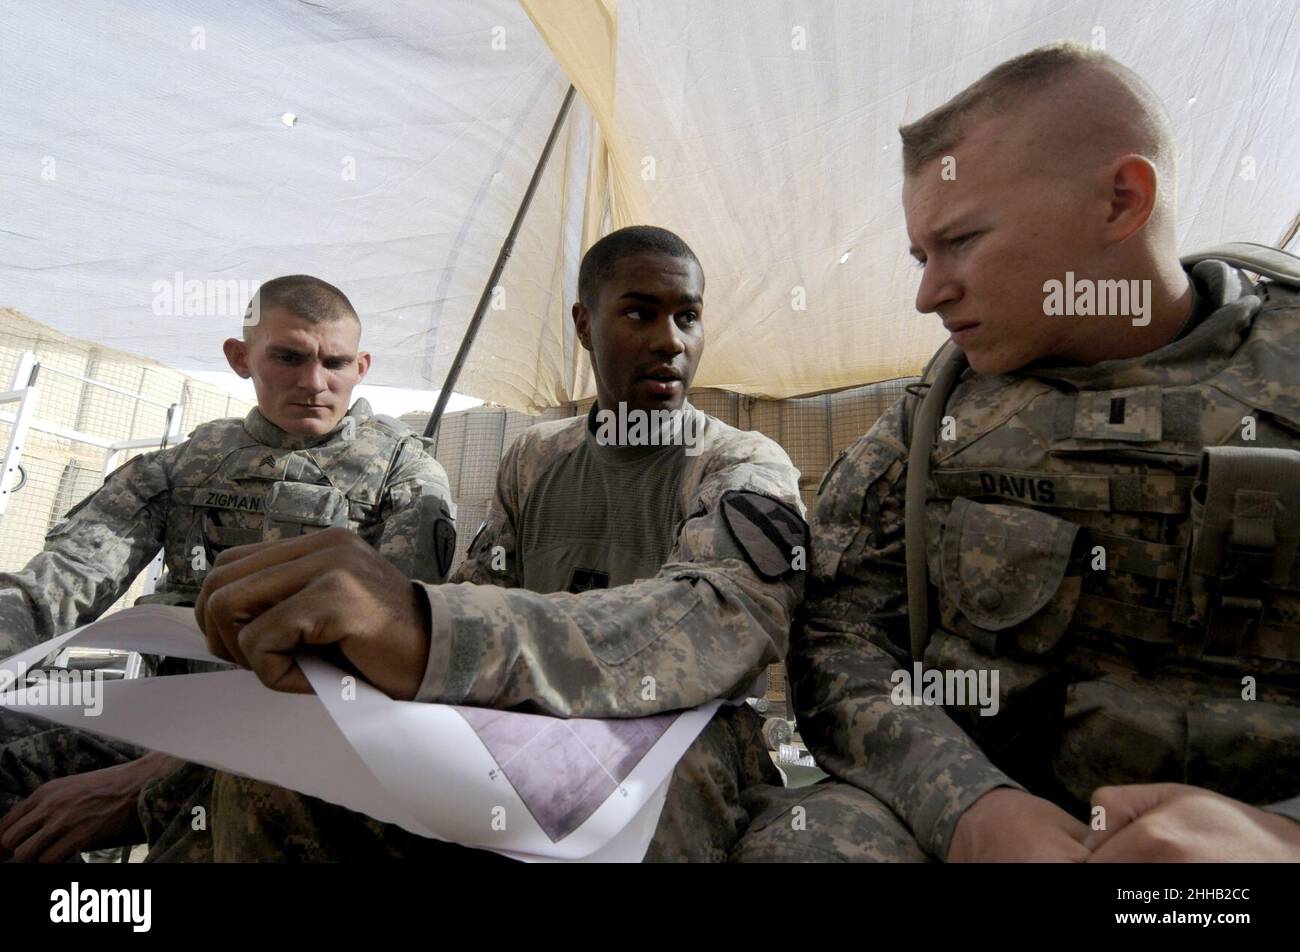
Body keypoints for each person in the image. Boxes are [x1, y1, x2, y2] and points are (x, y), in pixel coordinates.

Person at [742, 41, 1300, 862]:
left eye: (961, 242)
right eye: (921, 255)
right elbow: (839, 644)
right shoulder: (929, 425)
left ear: (1120, 202)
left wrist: (1283, 835)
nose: (928, 293)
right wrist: (972, 809)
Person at [189, 226, 810, 862]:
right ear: (584, 323)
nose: (670, 340)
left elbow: (720, 622)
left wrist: (436, 630)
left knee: (649, 818)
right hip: (524, 724)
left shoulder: (740, 463)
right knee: (278, 774)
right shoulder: (537, 459)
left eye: (688, 316)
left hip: (683, 735)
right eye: (638, 312)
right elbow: (485, 588)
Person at [0, 275, 456, 863]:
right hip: (158, 719)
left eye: (336, 362)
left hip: (296, 742)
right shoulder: (187, 465)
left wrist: (150, 779)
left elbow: (381, 666)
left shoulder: (405, 478)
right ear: (240, 359)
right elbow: (58, 583)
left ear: (362, 365)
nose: (315, 383)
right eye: (289, 358)